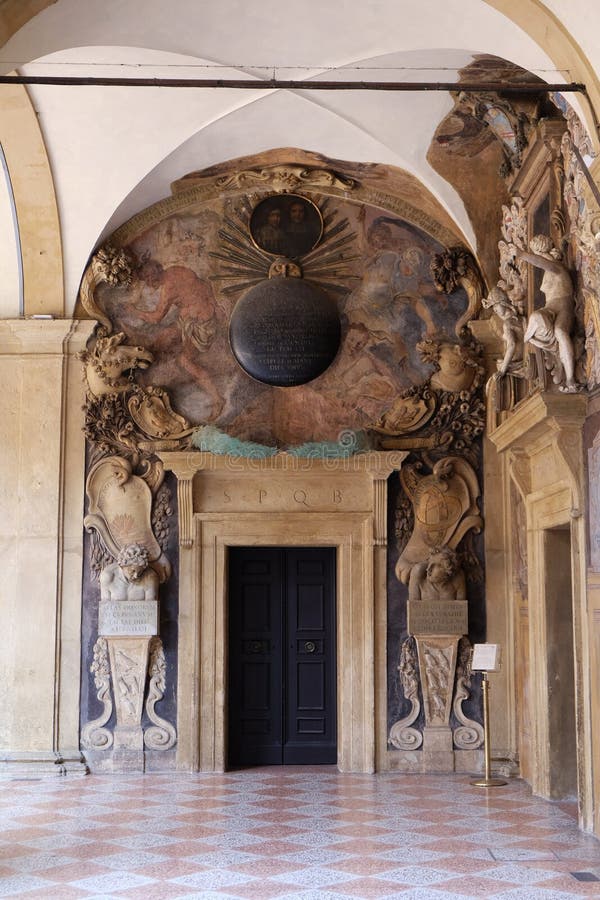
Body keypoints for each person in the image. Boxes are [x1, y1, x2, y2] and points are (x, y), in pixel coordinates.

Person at [517, 235, 578, 392]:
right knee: (536, 317)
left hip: (564, 308)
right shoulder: (549, 270)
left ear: (541, 253)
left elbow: (542, 263)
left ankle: (570, 378)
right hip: (549, 309)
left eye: (537, 253)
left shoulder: (556, 267)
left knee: (560, 331)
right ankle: (537, 339)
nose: (537, 258)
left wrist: (522, 254)